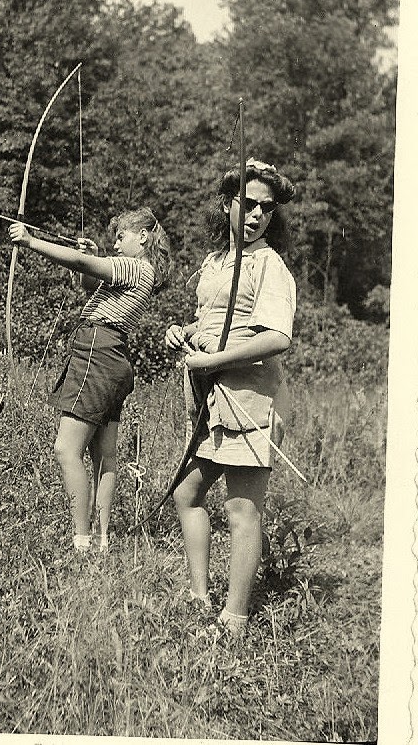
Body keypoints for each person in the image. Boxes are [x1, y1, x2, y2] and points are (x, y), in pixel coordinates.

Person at [165, 158, 296, 636]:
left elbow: (277, 337)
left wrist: (215, 360)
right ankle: (200, 596)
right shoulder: (216, 262)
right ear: (227, 204)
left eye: (267, 207)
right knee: (188, 493)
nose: (258, 214)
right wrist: (182, 332)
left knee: (242, 509)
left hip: (249, 396)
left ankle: (235, 619)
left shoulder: (269, 264)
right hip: (209, 399)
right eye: (249, 203)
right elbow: (212, 321)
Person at [9, 207, 171, 552]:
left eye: (121, 237)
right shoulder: (141, 272)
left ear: (142, 237)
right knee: (104, 456)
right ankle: (100, 540)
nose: (115, 244)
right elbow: (89, 281)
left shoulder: (135, 266)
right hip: (114, 357)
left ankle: (80, 540)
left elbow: (82, 267)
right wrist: (92, 255)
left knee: (66, 449)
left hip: (97, 351)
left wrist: (30, 241)